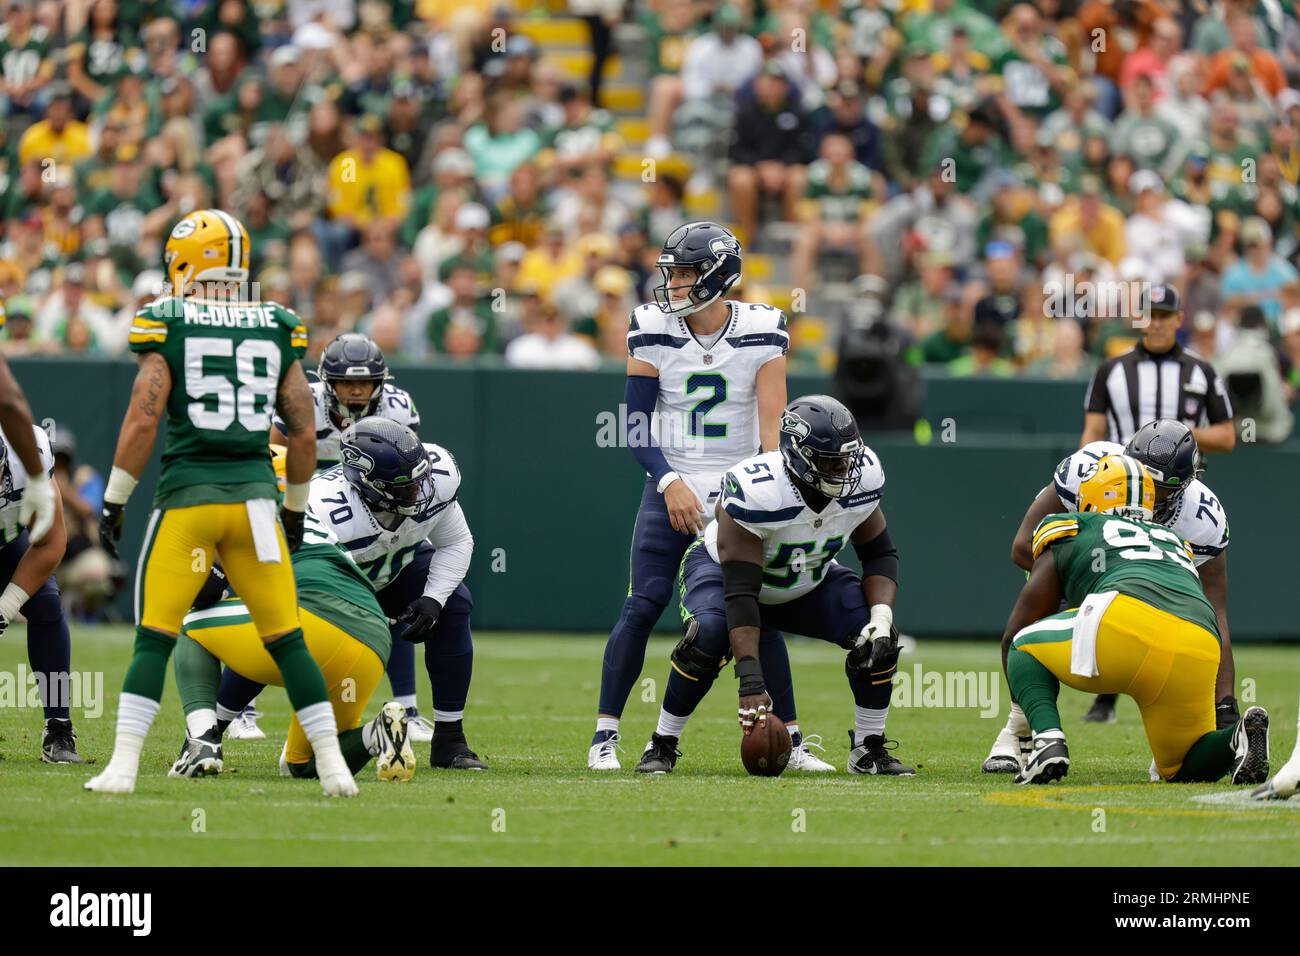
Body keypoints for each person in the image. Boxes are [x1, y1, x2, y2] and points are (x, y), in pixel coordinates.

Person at [88, 208, 356, 798]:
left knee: (155, 635)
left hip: (189, 499)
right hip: (257, 504)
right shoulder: (276, 321)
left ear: (186, 262)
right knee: (286, 639)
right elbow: (304, 429)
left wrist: (114, 499)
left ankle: (124, 768)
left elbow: (143, 416)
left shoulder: (165, 320)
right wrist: (293, 509)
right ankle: (334, 770)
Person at [589, 221, 835, 773]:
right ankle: (605, 737)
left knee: (757, 611)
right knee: (643, 604)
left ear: (717, 276)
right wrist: (668, 481)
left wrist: (772, 494)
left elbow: (774, 424)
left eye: (683, 274)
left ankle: (791, 743)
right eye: (670, 273)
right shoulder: (651, 326)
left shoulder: (764, 328)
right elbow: (635, 425)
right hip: (671, 482)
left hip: (740, 491)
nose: (672, 285)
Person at [635, 395, 914, 776]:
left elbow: (880, 554)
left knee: (877, 641)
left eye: (847, 457)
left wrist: (882, 618)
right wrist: (750, 682)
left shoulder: (861, 478)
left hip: (805, 580)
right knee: (708, 635)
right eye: (830, 459)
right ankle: (663, 742)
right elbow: (742, 595)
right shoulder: (758, 491)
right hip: (723, 574)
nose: (843, 468)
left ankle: (868, 749)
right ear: (797, 455)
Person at [216, 418, 487, 770]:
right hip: (328, 584)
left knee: (455, 604)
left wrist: (433, 598)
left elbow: (456, 541)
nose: (420, 493)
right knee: (280, 633)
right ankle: (209, 732)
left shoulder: (437, 478)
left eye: (422, 480)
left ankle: (450, 740)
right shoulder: (325, 508)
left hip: (393, 570)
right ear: (368, 485)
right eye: (406, 487)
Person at [985, 420, 1237, 772]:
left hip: (1148, 612)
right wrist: (1090, 587)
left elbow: (1216, 609)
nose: (1145, 492)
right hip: (1177, 630)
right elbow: (1022, 548)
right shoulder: (1091, 471)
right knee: (1178, 763)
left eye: (1157, 489)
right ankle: (1019, 728)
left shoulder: (1200, 519)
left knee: (1021, 641)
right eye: (1138, 477)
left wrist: (1224, 701)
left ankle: (1042, 735)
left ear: (1184, 487)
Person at [171, 446, 415, 784]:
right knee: (301, 764)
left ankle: (202, 741)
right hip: (372, 638)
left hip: (314, 623)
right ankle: (377, 733)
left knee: (190, 625)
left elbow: (202, 593)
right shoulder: (312, 516)